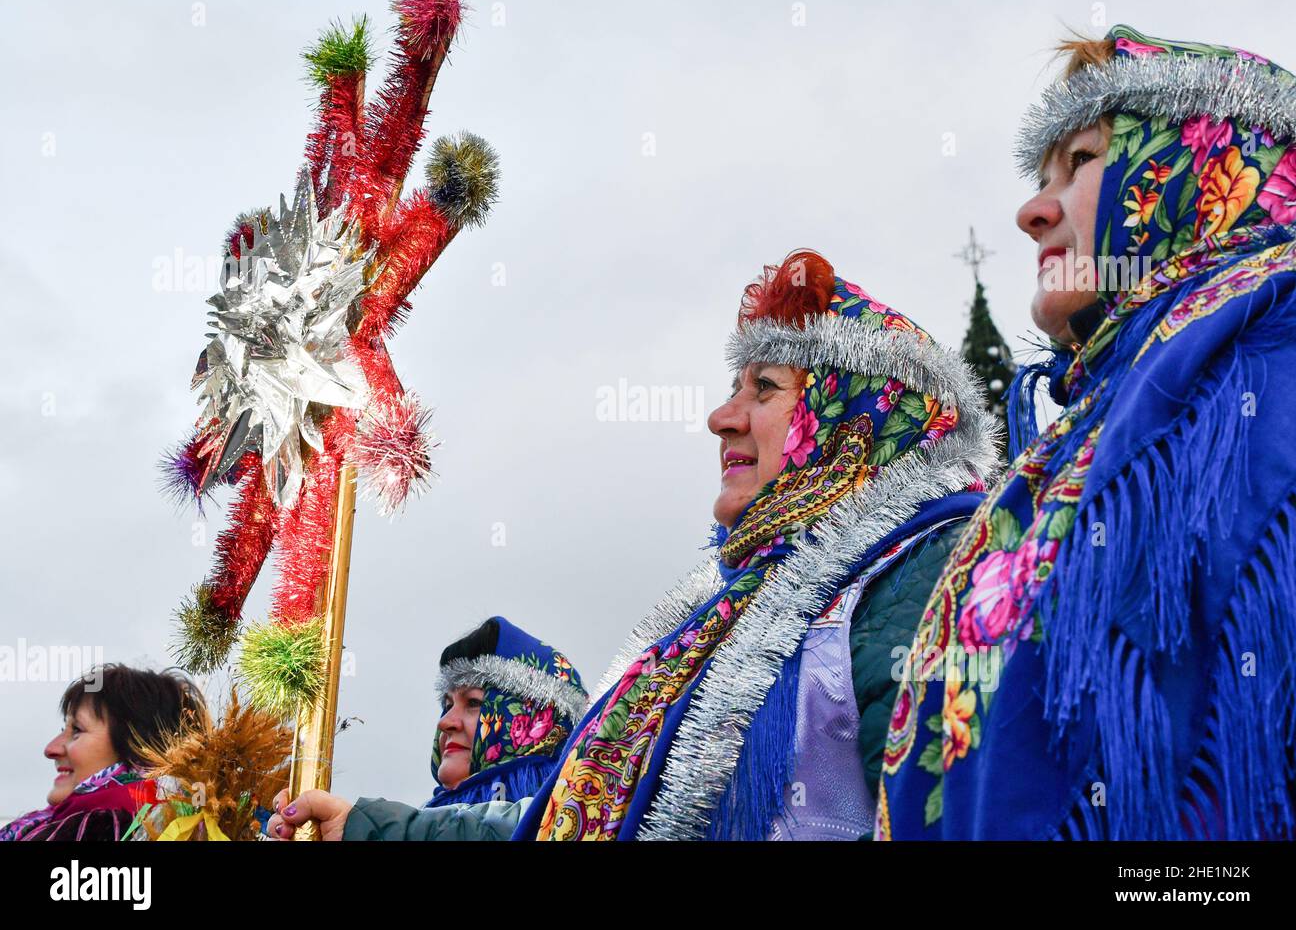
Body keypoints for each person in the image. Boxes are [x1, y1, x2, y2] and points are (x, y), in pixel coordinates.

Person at [268, 249, 1000, 840]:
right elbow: (559, 826)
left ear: (851, 418)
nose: (721, 417)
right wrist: (369, 829)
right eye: (731, 387)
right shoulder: (726, 621)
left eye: (765, 388)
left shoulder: (924, 580)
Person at [878, 26, 1296, 839]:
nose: (1033, 212)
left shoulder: (1275, 358)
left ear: (1191, 164)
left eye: (1083, 162)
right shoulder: (1078, 430)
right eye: (1044, 176)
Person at [1, 664, 207, 841]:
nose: (50, 749)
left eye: (77, 730)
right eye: (64, 729)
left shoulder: (102, 829)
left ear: (139, 750)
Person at [424, 616, 588, 807]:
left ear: (535, 721)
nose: (444, 722)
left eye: (473, 702)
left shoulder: (548, 818)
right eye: (448, 705)